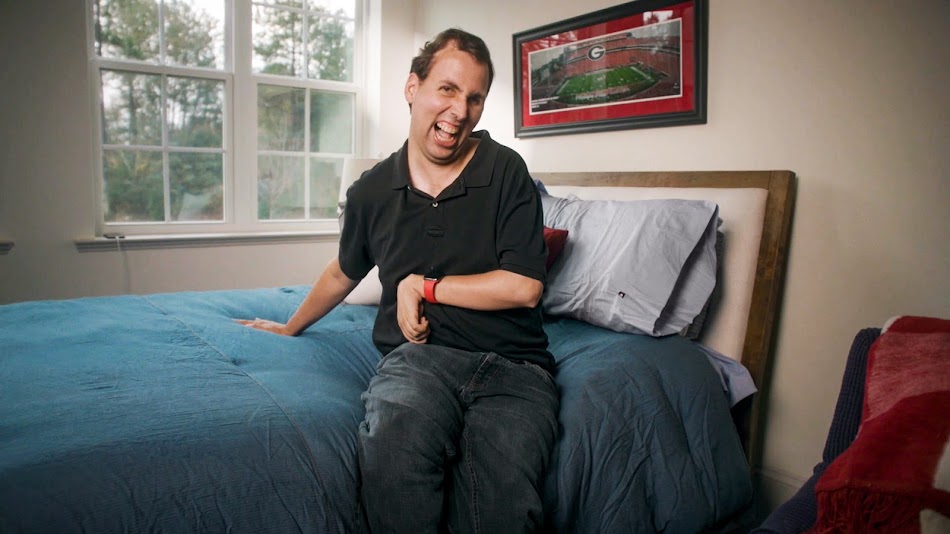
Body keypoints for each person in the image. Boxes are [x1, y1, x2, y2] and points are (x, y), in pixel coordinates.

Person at [238, 28, 558, 533]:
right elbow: (344, 271)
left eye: (474, 98)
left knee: (502, 502)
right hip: (418, 362)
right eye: (447, 89)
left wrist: (421, 286)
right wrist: (289, 326)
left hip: (515, 370)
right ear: (414, 88)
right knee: (393, 456)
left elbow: (523, 286)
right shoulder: (371, 191)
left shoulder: (505, 169)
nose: (460, 110)